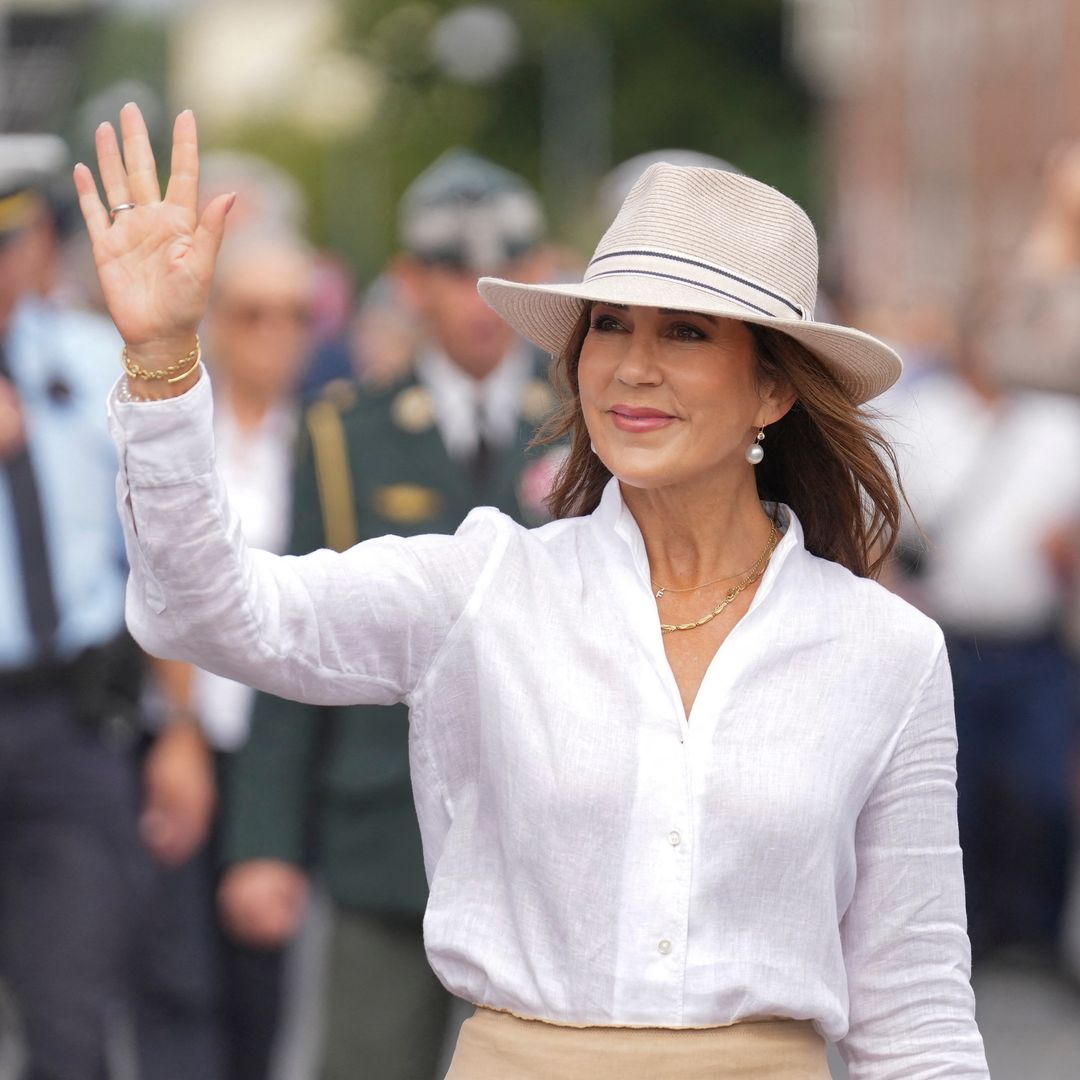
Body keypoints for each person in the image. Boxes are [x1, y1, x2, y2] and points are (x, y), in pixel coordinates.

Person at [75, 104, 989, 1078]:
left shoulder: (882, 650)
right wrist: (163, 363)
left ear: (772, 391)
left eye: (684, 332)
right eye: (608, 326)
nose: (633, 365)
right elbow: (211, 612)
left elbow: (917, 1013)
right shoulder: (485, 586)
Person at [217, 150, 559, 1080]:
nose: (477, 297)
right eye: (451, 271)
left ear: (541, 273)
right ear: (408, 281)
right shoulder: (344, 433)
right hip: (387, 846)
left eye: (505, 268)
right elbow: (294, 645)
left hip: (554, 845)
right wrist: (265, 845)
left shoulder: (588, 423)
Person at [134, 228, 317, 1080]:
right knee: (174, 980)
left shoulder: (325, 440)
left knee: (261, 987)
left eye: (296, 315)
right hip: (188, 731)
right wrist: (177, 729)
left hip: (278, 739)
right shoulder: (178, 432)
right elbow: (158, 577)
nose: (276, 333)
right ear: (215, 323)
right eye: (252, 314)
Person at [0, 134, 140, 1079]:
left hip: (67, 715)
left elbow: (161, 555)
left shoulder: (94, 361)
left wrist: (171, 733)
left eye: (16, 239)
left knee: (71, 1016)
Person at [882, 298, 1080, 966]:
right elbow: (883, 524)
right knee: (952, 795)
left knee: (1043, 791)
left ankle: (1038, 933)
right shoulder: (920, 416)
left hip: (1036, 644)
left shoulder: (1059, 426)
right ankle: (963, 930)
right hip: (947, 639)